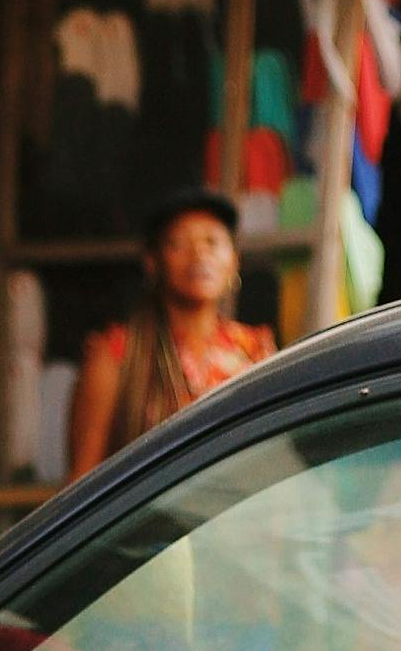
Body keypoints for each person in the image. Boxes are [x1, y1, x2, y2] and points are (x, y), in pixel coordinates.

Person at [66, 187, 275, 479]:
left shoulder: (253, 351)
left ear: (233, 262)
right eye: (179, 243)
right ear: (152, 262)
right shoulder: (117, 354)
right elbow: (82, 480)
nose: (199, 254)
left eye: (212, 242)